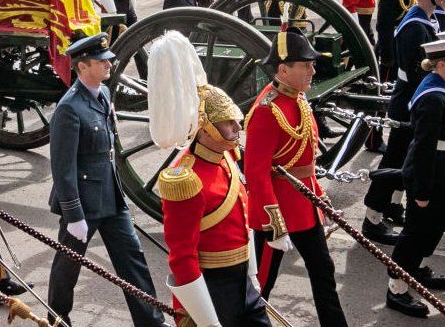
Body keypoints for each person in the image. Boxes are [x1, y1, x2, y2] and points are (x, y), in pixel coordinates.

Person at [149, 31, 271, 327]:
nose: (235, 127)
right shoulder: (186, 179)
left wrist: (252, 275)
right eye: (227, 123)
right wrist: (206, 321)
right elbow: (182, 258)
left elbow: (242, 219)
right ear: (205, 130)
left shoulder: (227, 158)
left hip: (242, 282)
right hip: (211, 291)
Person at [47, 33, 166, 326]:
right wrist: (73, 214)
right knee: (68, 265)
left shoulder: (103, 93)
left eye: (108, 59)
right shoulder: (69, 108)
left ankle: (150, 320)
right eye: (101, 61)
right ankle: (57, 316)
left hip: (111, 197)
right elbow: (63, 168)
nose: (109, 64)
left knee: (132, 260)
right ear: (83, 67)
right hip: (84, 204)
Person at [244, 27, 348, 326]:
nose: (312, 70)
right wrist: (272, 219)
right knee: (262, 284)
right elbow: (255, 172)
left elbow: (305, 160)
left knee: (323, 273)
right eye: (306, 65)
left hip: (304, 206)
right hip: (275, 212)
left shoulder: (299, 98)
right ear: (283, 69)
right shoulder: (266, 110)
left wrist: (319, 195)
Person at [362, 0, 445, 246]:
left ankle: (393, 207)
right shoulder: (415, 26)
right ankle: (372, 217)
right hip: (410, 102)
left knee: (406, 160)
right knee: (396, 159)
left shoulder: (429, 20)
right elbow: (418, 73)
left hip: (415, 101)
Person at [386, 37, 445, 317]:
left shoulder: (440, 87)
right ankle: (396, 289)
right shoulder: (433, 98)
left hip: (440, 173)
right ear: (442, 64)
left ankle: (417, 270)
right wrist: (421, 192)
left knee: (433, 228)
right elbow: (423, 149)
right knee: (415, 233)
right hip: (429, 176)